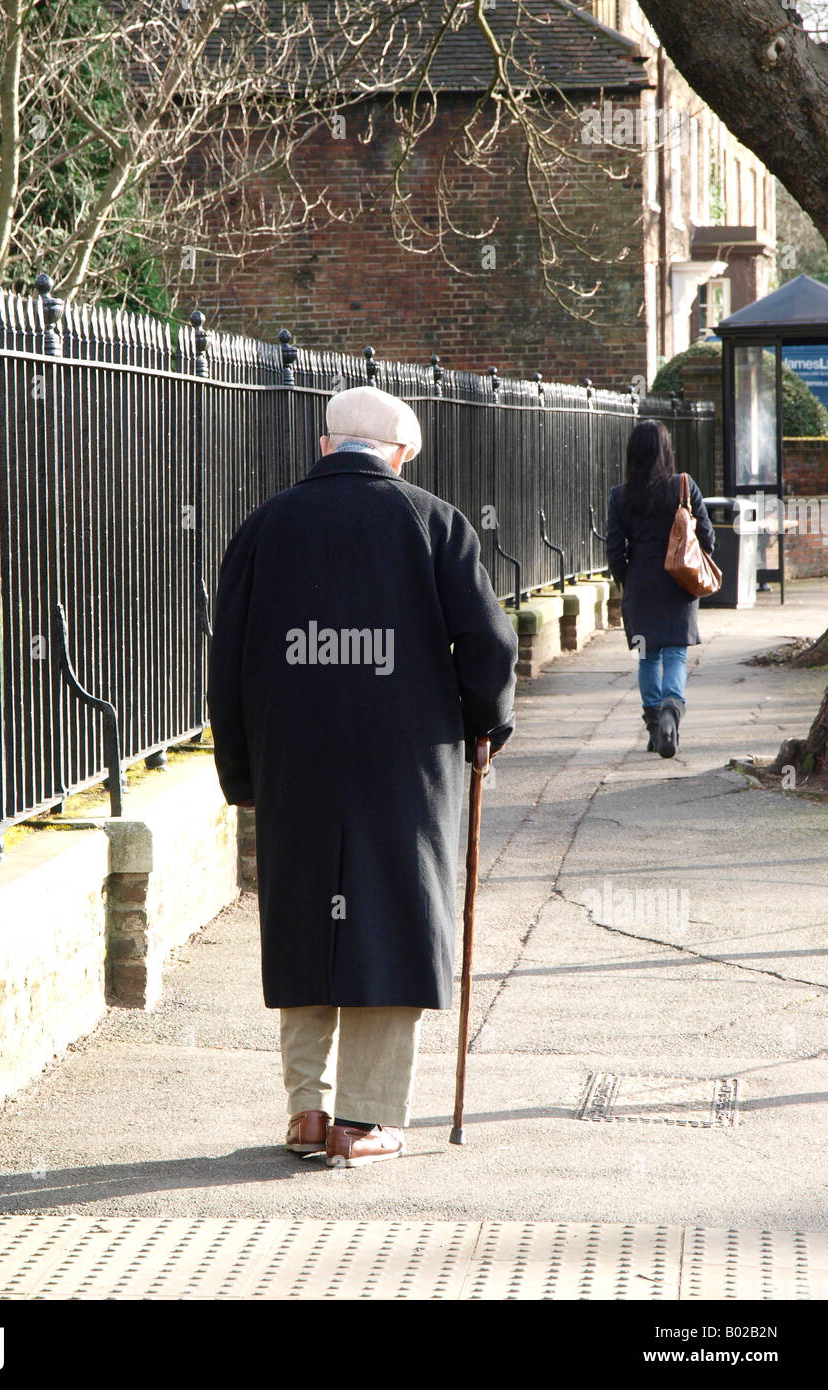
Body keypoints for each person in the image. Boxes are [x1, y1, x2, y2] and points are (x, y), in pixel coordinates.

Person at [207, 384, 517, 1167]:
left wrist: (241, 770)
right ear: (400, 455)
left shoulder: (264, 526)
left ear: (325, 446)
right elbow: (487, 643)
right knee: (394, 918)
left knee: (306, 914)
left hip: (293, 758)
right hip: (404, 762)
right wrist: (485, 723)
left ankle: (307, 1113)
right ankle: (365, 1120)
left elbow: (227, 660)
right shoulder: (432, 521)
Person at [605, 419, 715, 759]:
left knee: (647, 656)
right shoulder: (683, 486)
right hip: (678, 585)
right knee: (676, 654)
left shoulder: (621, 495)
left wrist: (626, 578)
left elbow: (613, 547)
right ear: (666, 451)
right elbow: (708, 537)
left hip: (640, 584)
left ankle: (654, 726)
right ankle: (671, 710)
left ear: (633, 454)